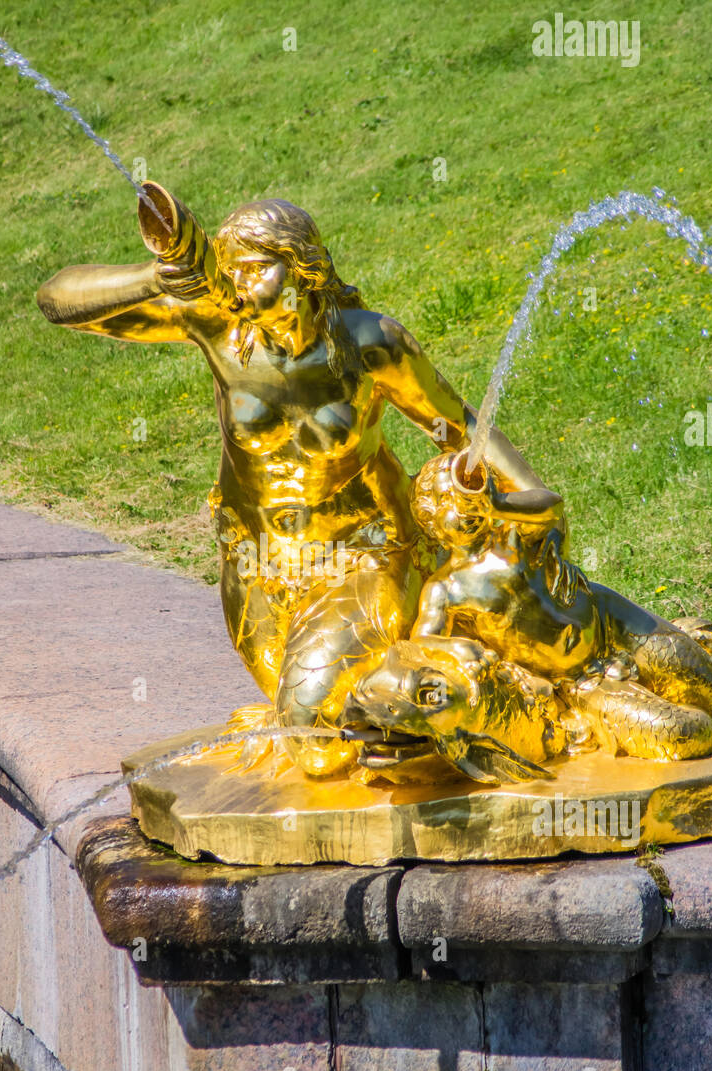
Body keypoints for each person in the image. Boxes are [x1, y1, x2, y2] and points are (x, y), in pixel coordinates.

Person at [37, 186, 556, 775]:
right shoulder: (217, 325)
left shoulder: (369, 343)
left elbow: (459, 426)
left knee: (310, 730)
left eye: (258, 269)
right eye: (232, 272)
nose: (242, 285)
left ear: (302, 267)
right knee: (307, 724)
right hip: (256, 563)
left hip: (360, 556)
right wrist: (168, 273)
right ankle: (418, 708)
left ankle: (468, 711)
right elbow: (57, 300)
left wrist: (534, 505)